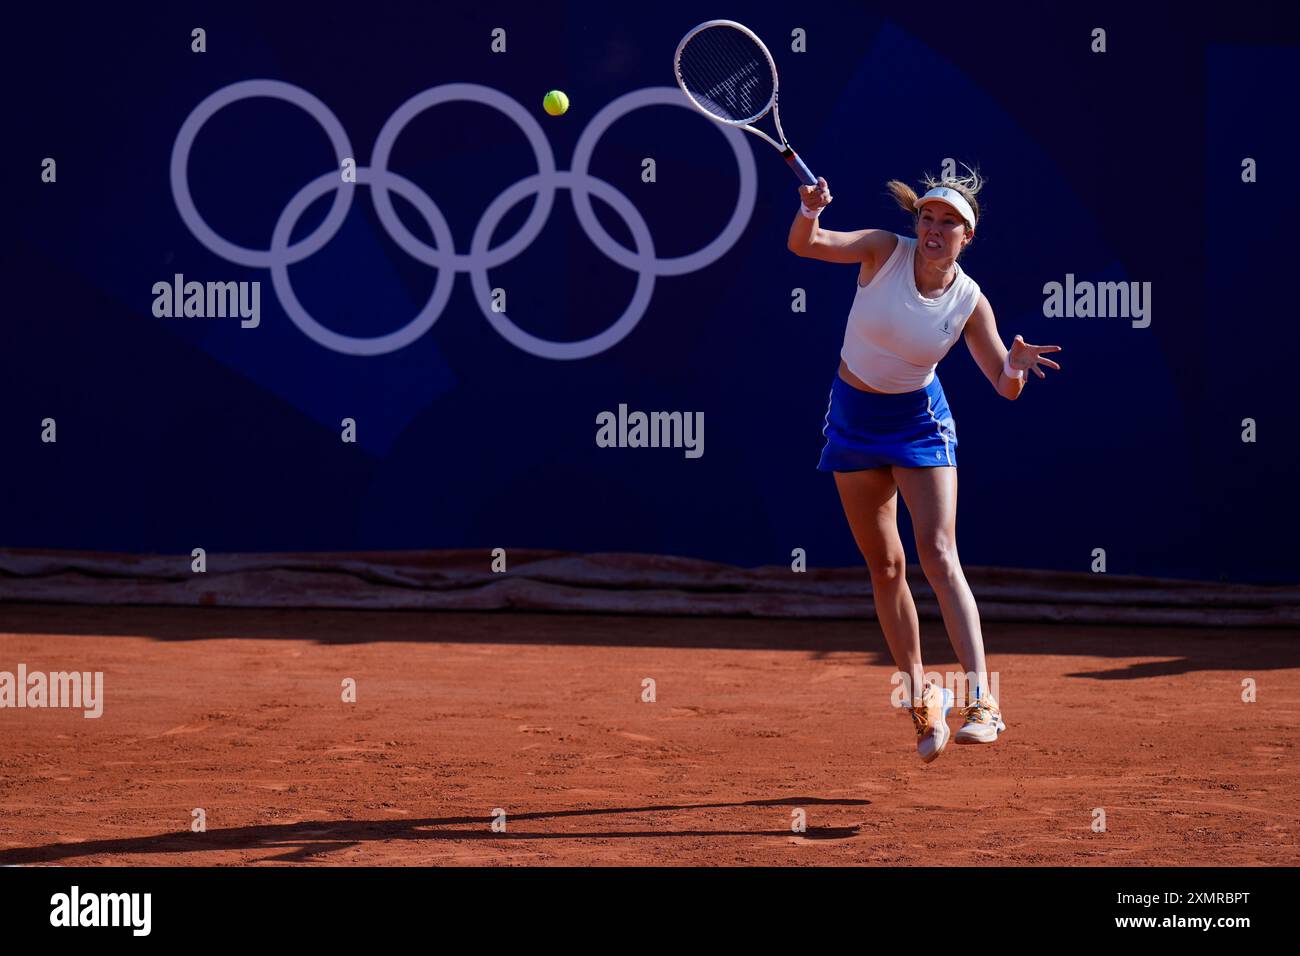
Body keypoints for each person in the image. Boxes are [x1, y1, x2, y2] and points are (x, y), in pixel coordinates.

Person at [787, 167, 1061, 762]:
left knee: (937, 553)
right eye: (928, 218)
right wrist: (810, 209)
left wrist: (1013, 365)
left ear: (968, 236)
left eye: (949, 223)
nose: (934, 229)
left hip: (919, 422)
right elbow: (806, 245)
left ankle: (983, 701)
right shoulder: (883, 250)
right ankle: (920, 694)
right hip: (854, 418)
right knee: (885, 567)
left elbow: (1004, 387)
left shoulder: (969, 300)